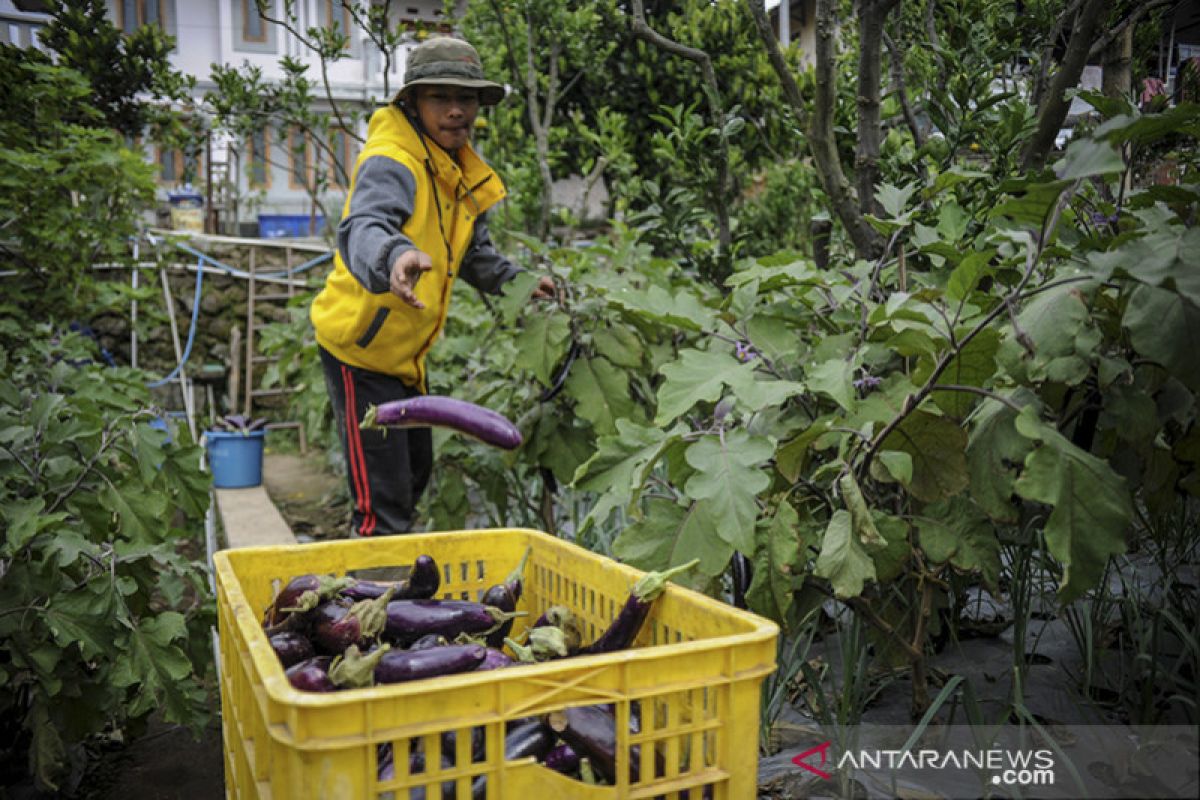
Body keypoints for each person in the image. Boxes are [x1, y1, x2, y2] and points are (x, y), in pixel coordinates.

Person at [310, 36, 554, 537]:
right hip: (360, 351)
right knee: (382, 505)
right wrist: (394, 256)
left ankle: (395, 569)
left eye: (466, 98)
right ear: (413, 104)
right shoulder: (393, 159)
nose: (456, 110)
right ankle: (371, 583)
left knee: (415, 471)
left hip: (404, 355)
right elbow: (365, 225)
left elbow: (473, 254)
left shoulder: (453, 168)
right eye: (440, 97)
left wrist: (522, 283)